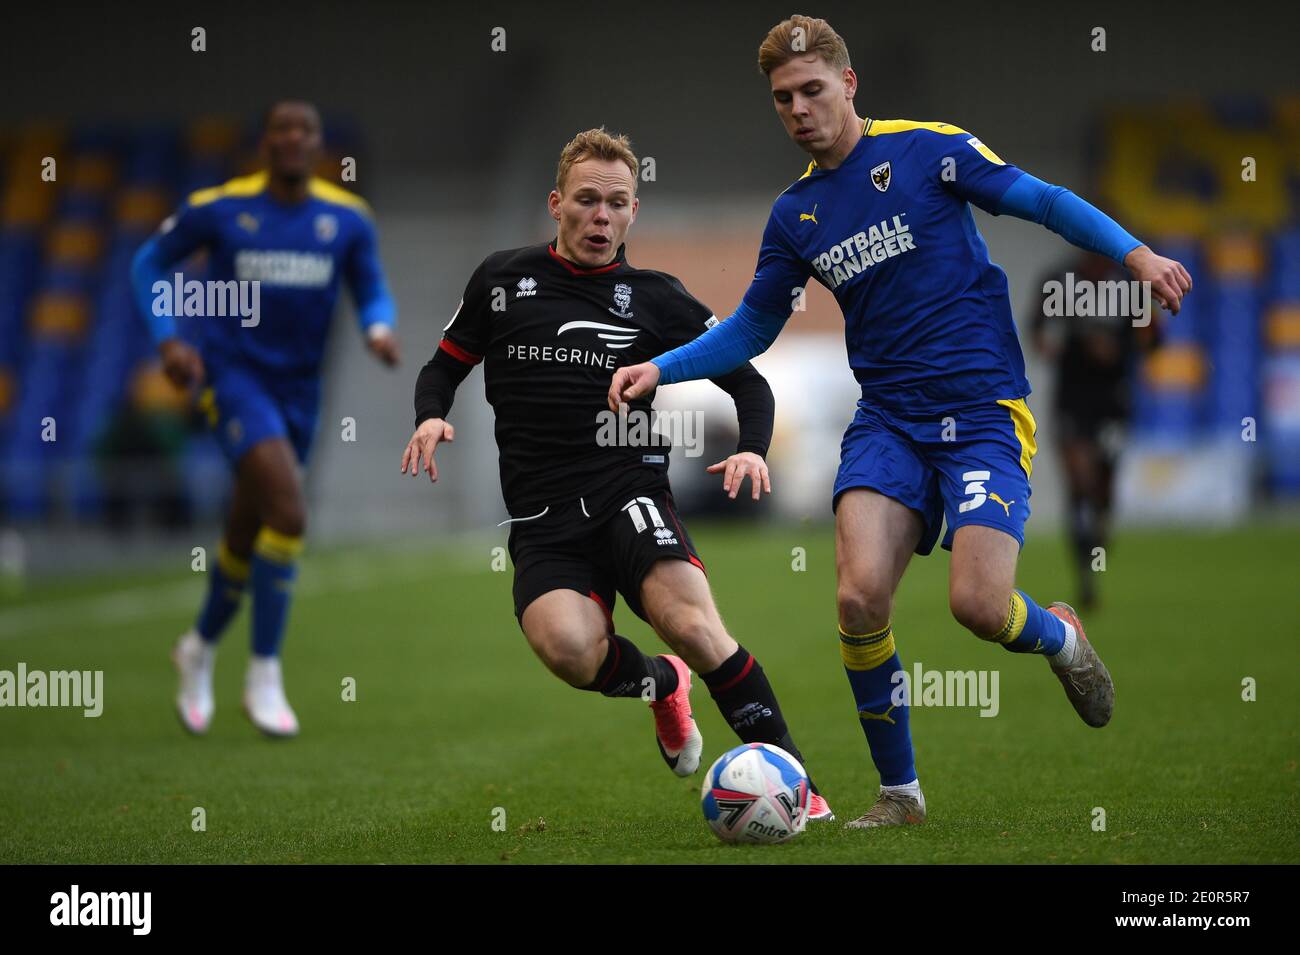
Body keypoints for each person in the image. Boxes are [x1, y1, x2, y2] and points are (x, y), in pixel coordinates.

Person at [609, 16, 1192, 828]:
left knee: (981, 607)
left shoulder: (929, 149)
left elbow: (1043, 200)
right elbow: (751, 326)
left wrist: (1135, 255)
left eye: (813, 89)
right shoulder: (796, 215)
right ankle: (901, 795)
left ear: (849, 84)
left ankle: (1060, 639)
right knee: (857, 601)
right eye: (783, 99)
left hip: (984, 409)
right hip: (888, 420)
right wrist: (661, 368)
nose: (800, 109)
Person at [402, 128, 832, 821]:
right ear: (556, 204)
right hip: (543, 519)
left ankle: (801, 790)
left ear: (634, 213)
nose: (601, 216)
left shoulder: (658, 299)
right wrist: (430, 414)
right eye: (587, 200)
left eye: (617, 203)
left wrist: (753, 445)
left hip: (627, 493)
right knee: (571, 651)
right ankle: (663, 684)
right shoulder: (501, 279)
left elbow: (748, 383)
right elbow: (444, 363)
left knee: (690, 621)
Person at [132, 101, 400, 737]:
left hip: (302, 392)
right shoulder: (221, 209)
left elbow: (371, 285)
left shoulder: (346, 218)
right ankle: (264, 676)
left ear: (316, 143)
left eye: (303, 129)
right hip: (233, 380)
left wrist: (378, 327)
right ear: (265, 142)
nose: (292, 139)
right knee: (290, 512)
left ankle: (197, 649)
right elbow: (148, 264)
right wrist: (168, 340)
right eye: (281, 129)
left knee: (244, 535)